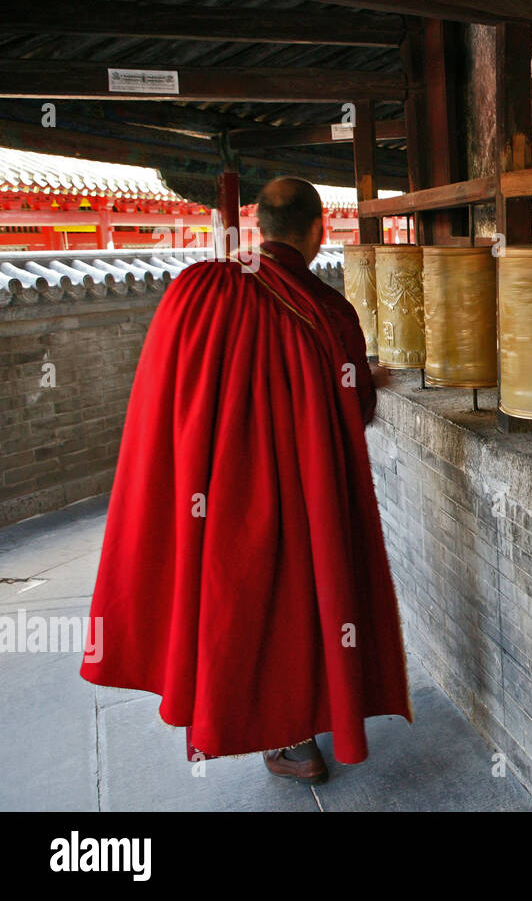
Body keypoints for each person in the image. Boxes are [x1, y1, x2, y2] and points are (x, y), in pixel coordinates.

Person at [81, 177, 410, 785]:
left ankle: (278, 733)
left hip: (215, 493)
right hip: (305, 493)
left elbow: (161, 396)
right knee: (306, 598)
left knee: (235, 605)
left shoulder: (197, 292)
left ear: (261, 228)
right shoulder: (329, 311)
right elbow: (353, 404)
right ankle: (307, 725)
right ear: (317, 231)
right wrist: (372, 381)